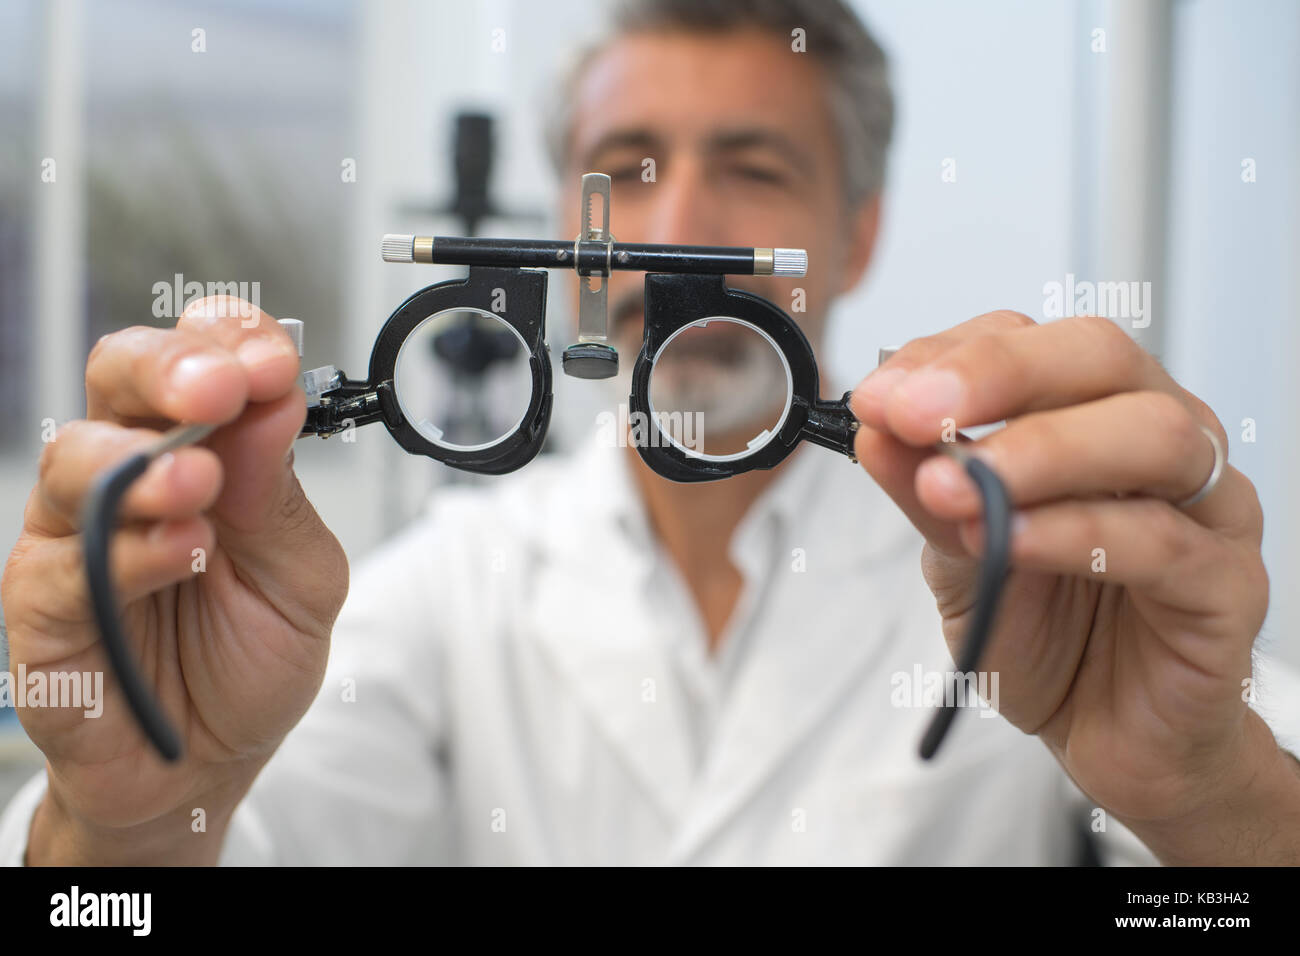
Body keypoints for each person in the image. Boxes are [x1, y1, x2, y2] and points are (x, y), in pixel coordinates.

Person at [3, 0, 1299, 866]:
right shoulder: (450, 592)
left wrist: (1206, 794)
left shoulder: (1025, 564)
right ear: (576, 239)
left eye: (752, 164)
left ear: (855, 232)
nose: (679, 221)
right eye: (627, 167)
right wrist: (115, 825)